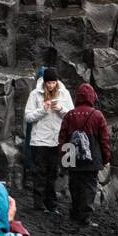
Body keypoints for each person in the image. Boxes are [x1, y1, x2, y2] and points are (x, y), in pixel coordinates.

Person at [57, 83, 112, 227]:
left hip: (72, 157)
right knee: (89, 187)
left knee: (74, 185)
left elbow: (62, 138)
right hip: (91, 158)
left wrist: (64, 158)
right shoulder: (97, 115)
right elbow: (104, 140)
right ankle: (85, 217)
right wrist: (106, 158)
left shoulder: (70, 115)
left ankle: (74, 213)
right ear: (92, 96)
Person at [23, 67, 73, 214]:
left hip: (57, 140)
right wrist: (42, 110)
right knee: (40, 173)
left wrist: (61, 109)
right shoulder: (35, 94)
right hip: (39, 141)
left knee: (53, 173)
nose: (51, 85)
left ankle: (51, 204)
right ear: (44, 82)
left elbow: (71, 115)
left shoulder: (64, 93)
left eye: (53, 82)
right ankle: (38, 204)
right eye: (48, 83)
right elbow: (28, 116)